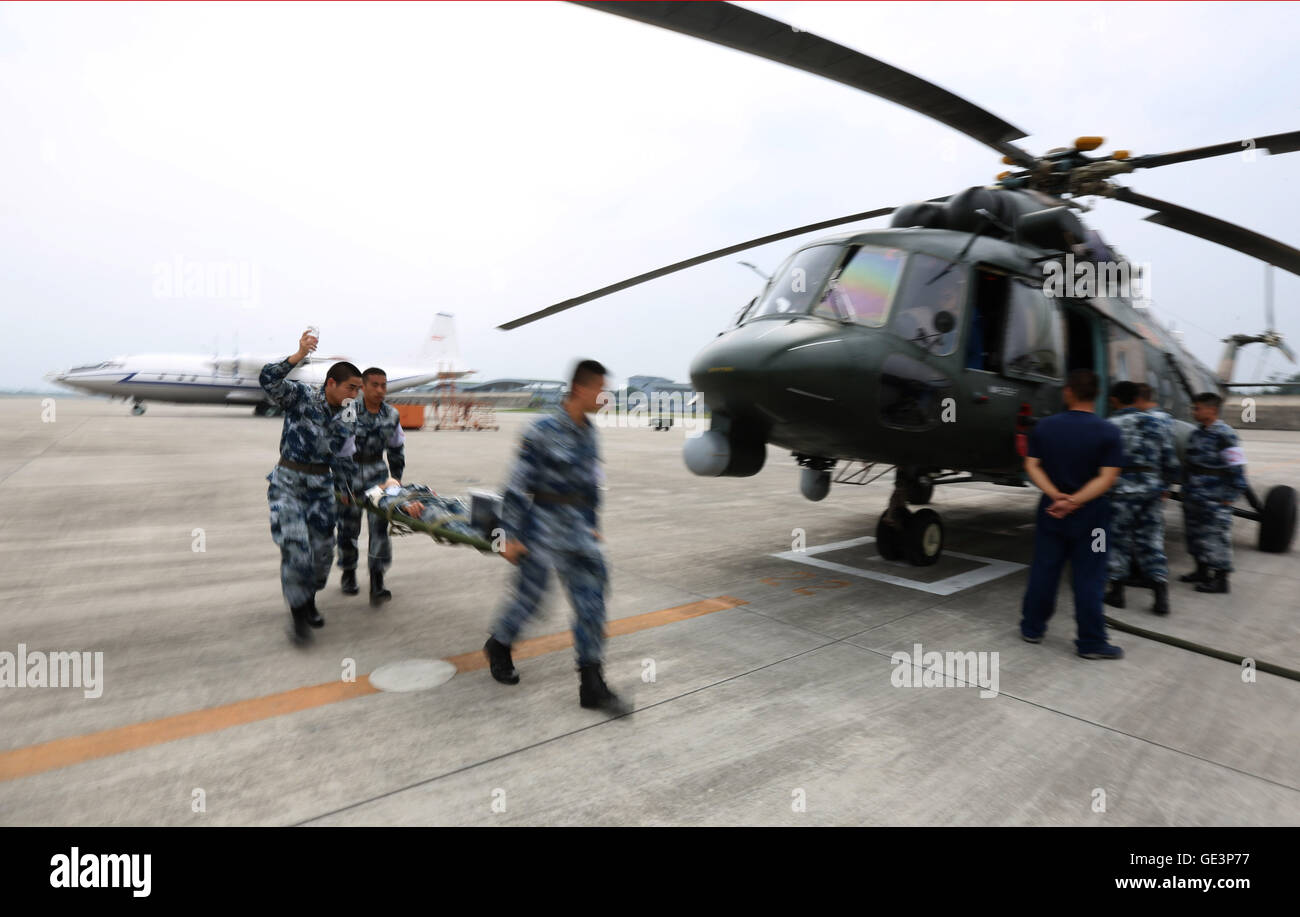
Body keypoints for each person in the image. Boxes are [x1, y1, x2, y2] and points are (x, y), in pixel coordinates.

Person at [482, 359, 631, 715]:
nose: (604, 396)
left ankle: (591, 683)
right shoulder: (541, 430)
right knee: (531, 599)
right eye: (601, 389)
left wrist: (594, 521)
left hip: (579, 531)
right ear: (581, 389)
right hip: (542, 528)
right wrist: (508, 535)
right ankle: (499, 643)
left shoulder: (591, 432)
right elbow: (517, 486)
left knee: (592, 601)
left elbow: (593, 483)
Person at [260, 331, 361, 643]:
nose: (355, 394)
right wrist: (297, 355)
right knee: (296, 549)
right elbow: (268, 381)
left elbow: (345, 455)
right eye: (351, 387)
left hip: (321, 487)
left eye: (358, 389)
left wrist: (348, 492)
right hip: (288, 484)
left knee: (321, 554)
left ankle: (310, 598)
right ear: (331, 383)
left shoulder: (348, 412)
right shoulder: (301, 396)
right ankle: (299, 612)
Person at [1019, 369, 1125, 659]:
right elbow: (1107, 479)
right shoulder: (1109, 432)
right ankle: (1091, 643)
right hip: (1094, 517)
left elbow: (1032, 466)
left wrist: (1057, 496)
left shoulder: (1044, 427)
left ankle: (1032, 628)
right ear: (1098, 394)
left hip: (1051, 511)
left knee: (1044, 569)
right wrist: (1076, 501)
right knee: (1090, 576)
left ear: (1068, 392)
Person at [1104, 381, 1180, 615]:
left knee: (1118, 541)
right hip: (1152, 491)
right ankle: (1160, 597)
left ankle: (1117, 593)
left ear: (1115, 400)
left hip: (1121, 492)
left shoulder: (1109, 425)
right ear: (1137, 398)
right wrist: (1165, 486)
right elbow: (1171, 462)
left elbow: (1099, 464)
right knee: (1152, 541)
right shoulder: (1157, 423)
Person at [335, 367, 406, 606]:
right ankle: (348, 572)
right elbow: (341, 449)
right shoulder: (349, 411)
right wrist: (343, 485)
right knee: (348, 528)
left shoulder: (392, 414)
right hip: (352, 474)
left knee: (380, 528)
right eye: (374, 385)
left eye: (383, 385)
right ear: (363, 387)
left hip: (378, 475)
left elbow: (396, 448)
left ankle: (377, 581)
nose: (379, 390)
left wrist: (396, 480)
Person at [1180, 392, 1248, 594]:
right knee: (1194, 534)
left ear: (1212, 410)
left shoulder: (1226, 434)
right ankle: (1201, 571)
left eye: (1197, 408)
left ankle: (1220, 579)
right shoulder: (1196, 433)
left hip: (1216, 495)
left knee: (1216, 536)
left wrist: (1231, 494)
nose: (1194, 412)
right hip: (1194, 494)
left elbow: (1237, 466)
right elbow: (1188, 464)